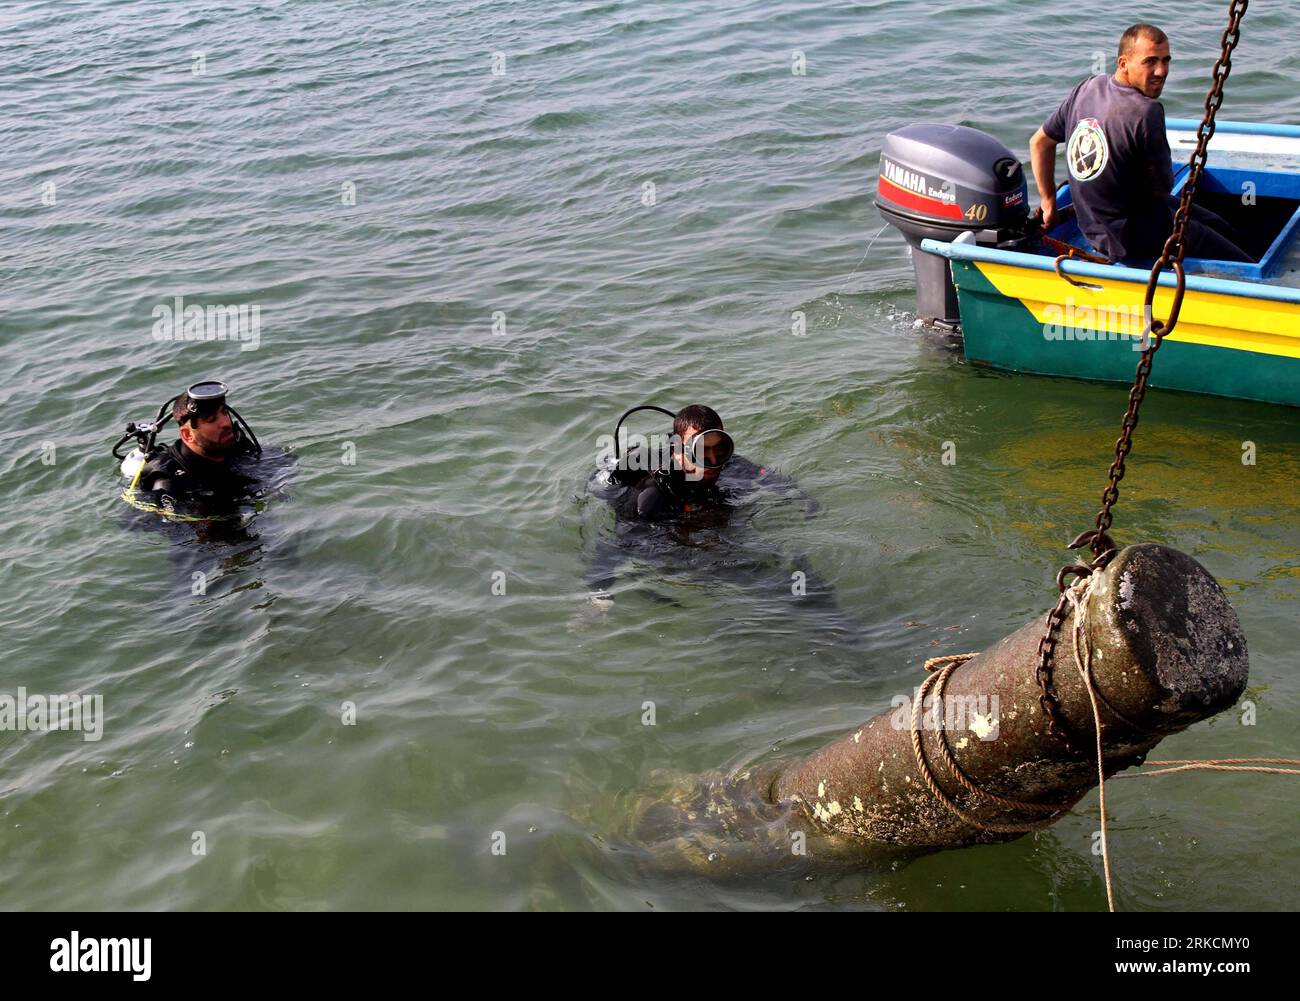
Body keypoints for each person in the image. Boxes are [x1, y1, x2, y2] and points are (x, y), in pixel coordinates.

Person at [1029, 22, 1250, 264]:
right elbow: (1162, 188)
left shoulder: (1087, 88)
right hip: (1131, 239)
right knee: (1240, 259)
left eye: (1166, 60)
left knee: (1219, 225)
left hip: (1094, 229)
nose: (1161, 71)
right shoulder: (1146, 112)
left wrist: (1048, 201)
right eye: (1150, 62)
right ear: (1123, 63)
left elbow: (1040, 142)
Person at [131, 381, 261, 515]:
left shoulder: (235, 442)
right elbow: (170, 528)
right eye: (211, 420)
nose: (225, 423)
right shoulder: (168, 480)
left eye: (224, 412)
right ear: (187, 435)